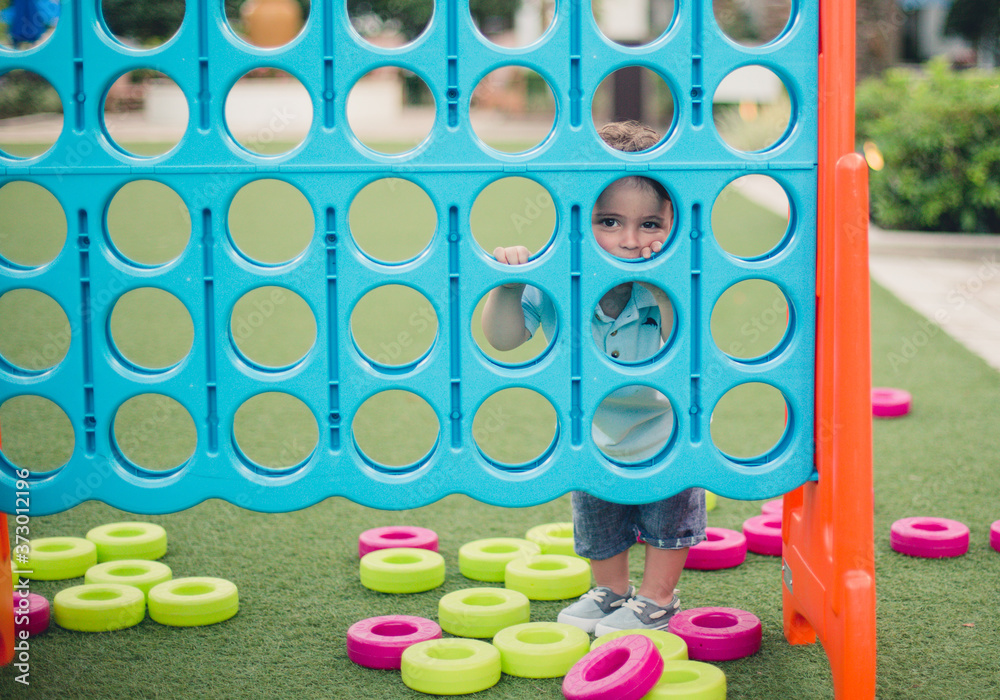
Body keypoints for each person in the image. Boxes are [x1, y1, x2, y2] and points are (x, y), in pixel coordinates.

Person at [481, 121, 706, 636]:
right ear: (576, 217)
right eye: (609, 221)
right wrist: (509, 285)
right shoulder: (558, 279)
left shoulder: (671, 283)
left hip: (666, 429)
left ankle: (658, 597)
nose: (629, 240)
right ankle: (611, 589)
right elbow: (503, 339)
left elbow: (682, 338)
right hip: (592, 430)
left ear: (673, 222)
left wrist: (661, 281)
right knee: (598, 514)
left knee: (668, 514)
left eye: (650, 224)